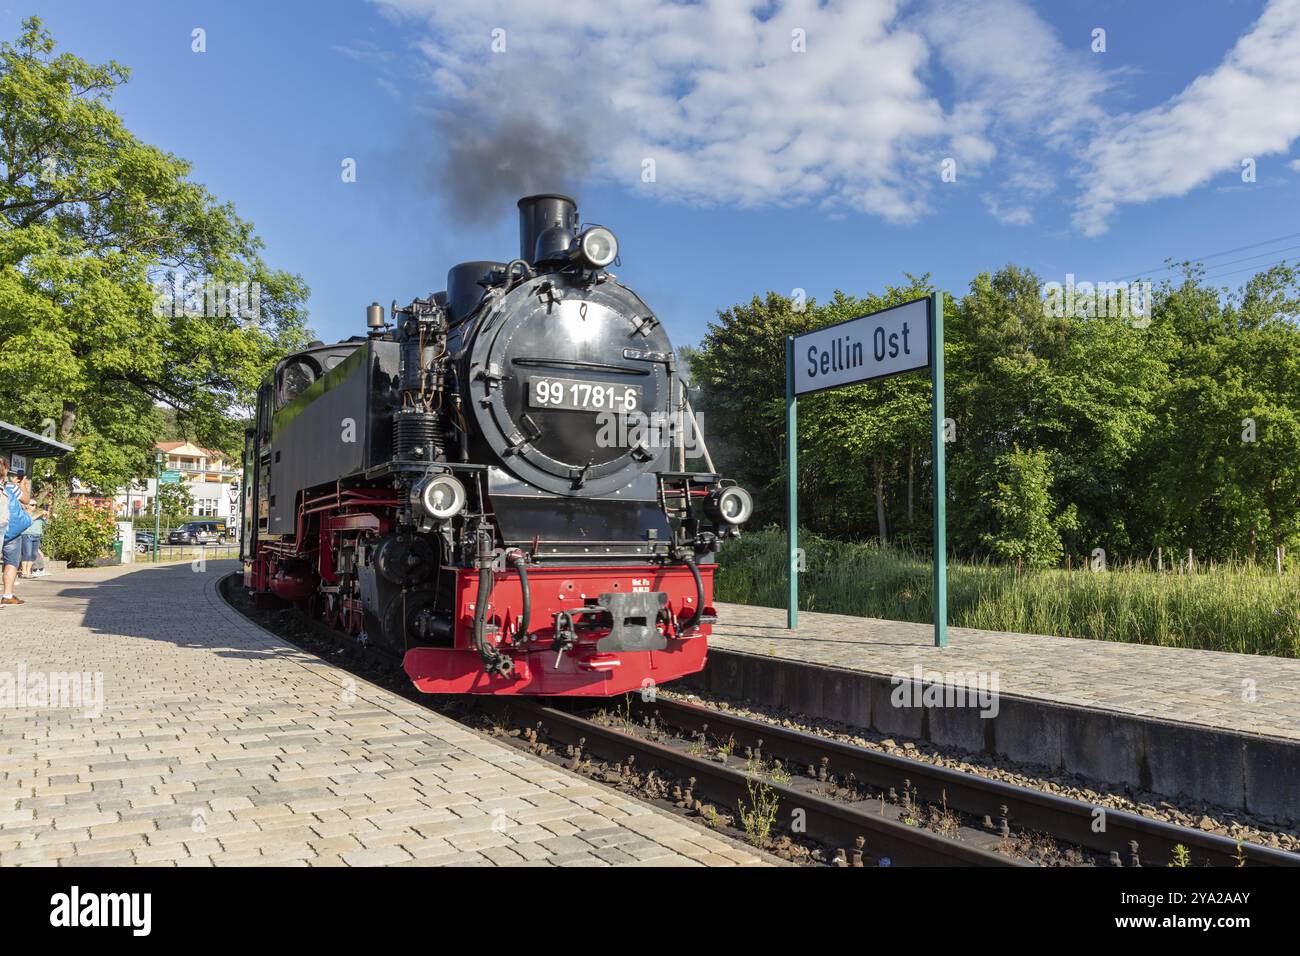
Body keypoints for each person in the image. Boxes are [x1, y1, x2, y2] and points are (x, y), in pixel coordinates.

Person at [0, 457, 30, 606]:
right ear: (5, 470)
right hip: (11, 530)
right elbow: (26, 500)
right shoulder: (10, 487)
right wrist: (23, 485)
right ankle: (7, 594)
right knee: (11, 562)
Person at [19, 482, 49, 579]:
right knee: (26, 554)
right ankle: (24, 572)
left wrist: (46, 517)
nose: (34, 507)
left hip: (37, 535)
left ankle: (28, 571)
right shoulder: (24, 514)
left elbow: (44, 523)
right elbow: (29, 520)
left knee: (32, 555)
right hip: (27, 535)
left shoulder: (37, 514)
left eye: (35, 505)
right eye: (32, 505)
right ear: (27, 505)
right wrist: (40, 514)